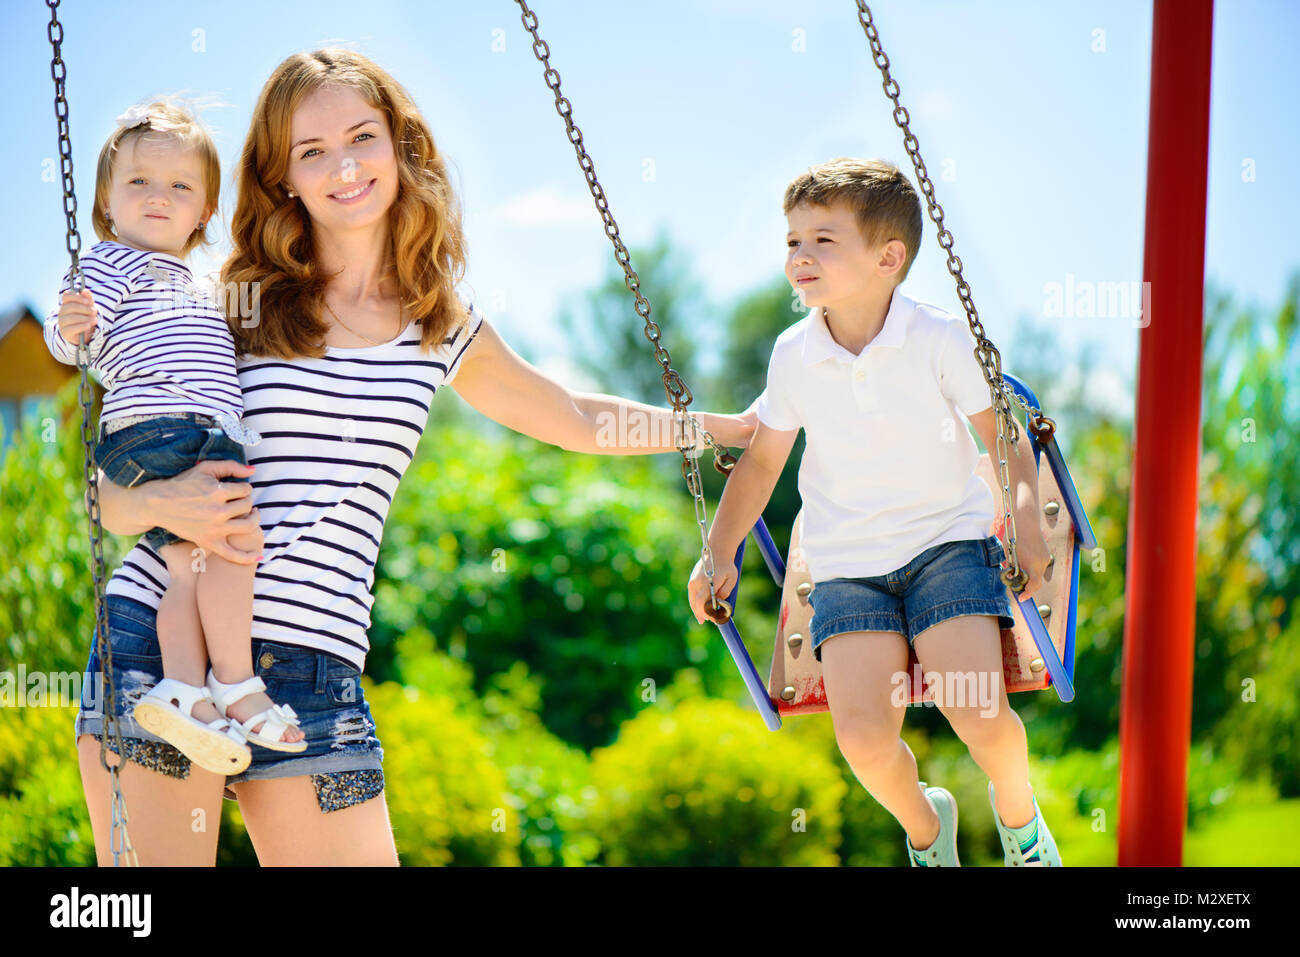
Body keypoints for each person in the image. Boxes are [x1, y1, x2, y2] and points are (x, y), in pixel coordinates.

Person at [76, 48, 754, 866]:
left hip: (314, 668)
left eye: (362, 137)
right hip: (162, 640)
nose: (345, 166)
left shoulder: (440, 321)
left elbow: (574, 415)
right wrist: (159, 503)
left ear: (400, 146)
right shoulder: (228, 297)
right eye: (311, 151)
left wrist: (715, 428)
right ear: (283, 176)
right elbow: (112, 492)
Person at [688, 157, 1062, 866]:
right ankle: (929, 832)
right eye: (793, 240)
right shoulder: (793, 354)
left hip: (945, 546)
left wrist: (1023, 515)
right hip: (846, 565)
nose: (800, 255)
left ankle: (1022, 827)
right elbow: (765, 461)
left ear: (888, 257)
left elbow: (1001, 435)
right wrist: (720, 550)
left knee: (979, 713)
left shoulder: (937, 337)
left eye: (823, 240)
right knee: (861, 739)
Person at [47, 99, 305, 777]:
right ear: (106, 200)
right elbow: (67, 333)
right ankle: (238, 684)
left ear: (205, 211)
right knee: (238, 543)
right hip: (166, 429)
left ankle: (185, 691)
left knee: (189, 566)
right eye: (138, 182)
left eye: (179, 186)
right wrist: (69, 325)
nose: (158, 197)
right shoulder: (112, 260)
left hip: (176, 436)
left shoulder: (205, 277)